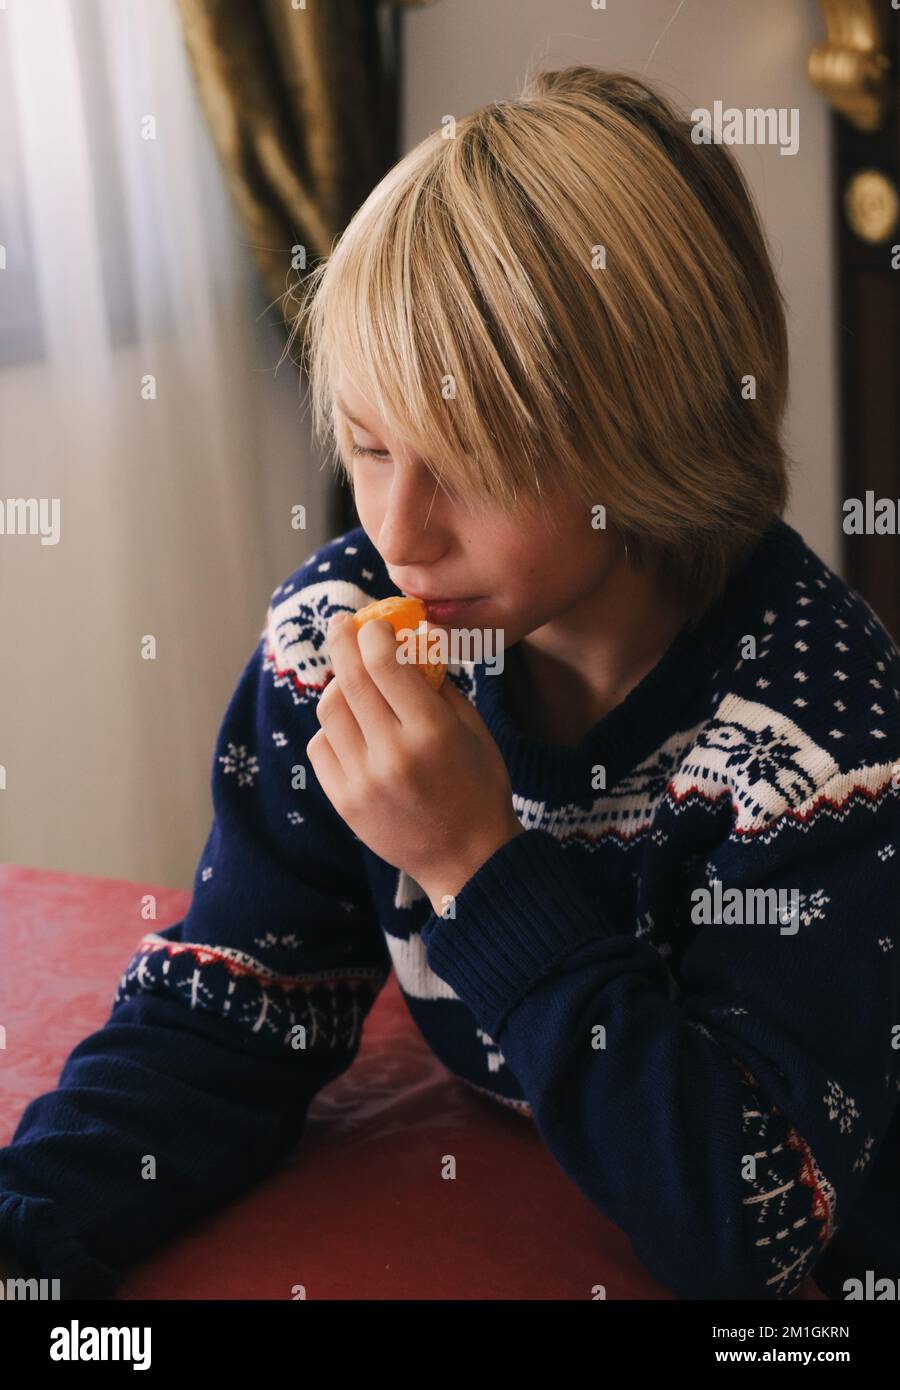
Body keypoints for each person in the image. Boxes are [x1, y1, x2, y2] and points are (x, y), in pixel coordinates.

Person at [2, 66, 898, 1302]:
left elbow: (750, 1232)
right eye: (370, 445)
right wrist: (28, 1234)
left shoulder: (818, 748)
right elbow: (235, 1019)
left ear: (658, 438)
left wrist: (478, 865)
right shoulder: (340, 631)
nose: (400, 531)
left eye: (472, 461)